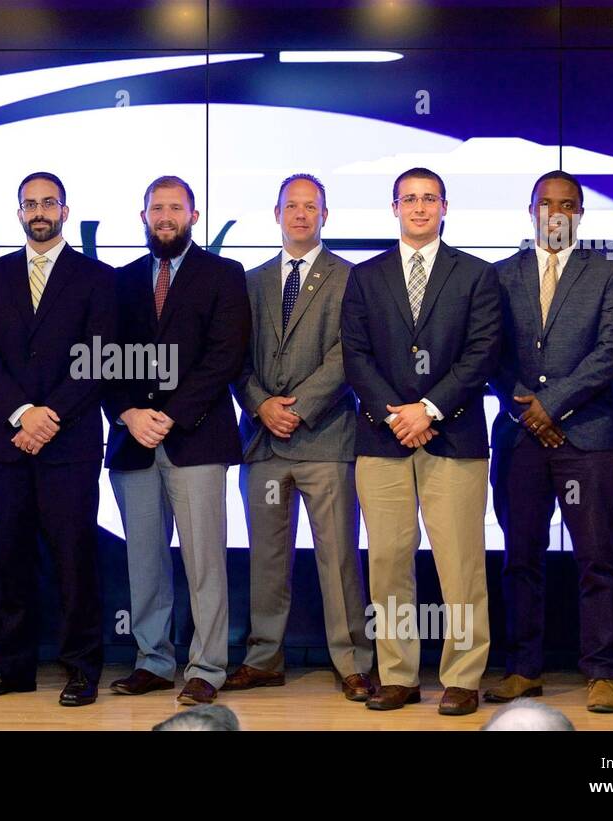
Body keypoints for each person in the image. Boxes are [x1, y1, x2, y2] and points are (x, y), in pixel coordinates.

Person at [340, 167, 500, 716]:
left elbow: (482, 354)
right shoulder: (365, 277)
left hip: (452, 437)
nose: (419, 207)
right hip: (382, 440)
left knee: (460, 564)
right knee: (386, 561)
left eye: (429, 198)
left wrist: (428, 409)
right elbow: (355, 356)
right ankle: (399, 674)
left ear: (445, 207)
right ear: (394, 208)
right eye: (409, 198)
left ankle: (461, 676)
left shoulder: (476, 275)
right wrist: (397, 416)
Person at [484, 170, 613, 713]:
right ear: (530, 210)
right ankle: (523, 669)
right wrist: (529, 407)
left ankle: (602, 672)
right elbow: (489, 353)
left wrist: (554, 405)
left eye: (566, 204)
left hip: (588, 436)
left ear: (580, 214)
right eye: (545, 203)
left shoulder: (608, 276)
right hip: (520, 438)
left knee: (598, 557)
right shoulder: (500, 276)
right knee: (521, 557)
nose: (555, 212)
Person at [0, 172, 114, 707]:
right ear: (18, 212)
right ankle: (12, 668)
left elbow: (100, 356)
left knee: (75, 560)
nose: (39, 211)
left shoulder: (98, 277)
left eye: (49, 202)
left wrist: (49, 415)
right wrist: (23, 414)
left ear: (66, 211)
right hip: (6, 442)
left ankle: (80, 668)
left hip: (69, 442)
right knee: (12, 558)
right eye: (30, 203)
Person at [105, 175, 252, 706]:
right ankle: (153, 660)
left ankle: (207, 668)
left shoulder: (223, 274)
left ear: (192, 214)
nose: (165, 216)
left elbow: (224, 356)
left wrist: (167, 415)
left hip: (196, 437)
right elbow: (103, 355)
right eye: (156, 208)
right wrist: (127, 412)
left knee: (204, 561)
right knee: (144, 560)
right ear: (143, 215)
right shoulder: (118, 282)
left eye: (175, 207)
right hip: (132, 441)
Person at [229, 173, 374, 700]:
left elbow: (349, 354)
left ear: (324, 216)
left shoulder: (351, 279)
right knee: (266, 557)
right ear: (276, 214)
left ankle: (353, 662)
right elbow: (233, 357)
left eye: (310, 207)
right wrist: (261, 404)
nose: (300, 215)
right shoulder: (249, 281)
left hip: (327, 439)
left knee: (337, 557)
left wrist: (300, 407)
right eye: (291, 206)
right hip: (263, 441)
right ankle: (264, 658)